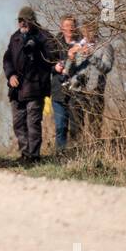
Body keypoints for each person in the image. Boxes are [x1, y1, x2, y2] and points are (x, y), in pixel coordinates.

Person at [3, 6, 60, 164]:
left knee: (33, 123)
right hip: (17, 89)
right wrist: (10, 75)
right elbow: (7, 59)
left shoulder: (45, 36)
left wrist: (38, 45)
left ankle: (33, 156)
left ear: (33, 21)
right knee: (18, 123)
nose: (22, 23)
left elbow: (53, 57)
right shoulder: (15, 38)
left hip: (36, 87)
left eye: (25, 20)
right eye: (20, 20)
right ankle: (25, 153)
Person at [65, 22, 115, 144]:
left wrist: (90, 56)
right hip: (78, 91)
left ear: (96, 30)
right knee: (76, 126)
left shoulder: (105, 46)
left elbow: (107, 68)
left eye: (90, 30)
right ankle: (75, 154)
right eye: (85, 31)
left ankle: (94, 153)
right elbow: (68, 71)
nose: (87, 34)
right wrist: (70, 57)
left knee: (95, 126)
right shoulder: (78, 45)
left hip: (95, 91)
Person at [50, 15, 81, 153]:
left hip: (77, 91)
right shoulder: (54, 43)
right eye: (67, 25)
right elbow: (46, 63)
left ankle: (75, 155)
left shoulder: (81, 44)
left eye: (72, 25)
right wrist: (54, 68)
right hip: (58, 91)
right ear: (61, 27)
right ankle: (60, 154)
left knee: (76, 127)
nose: (70, 28)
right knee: (60, 126)